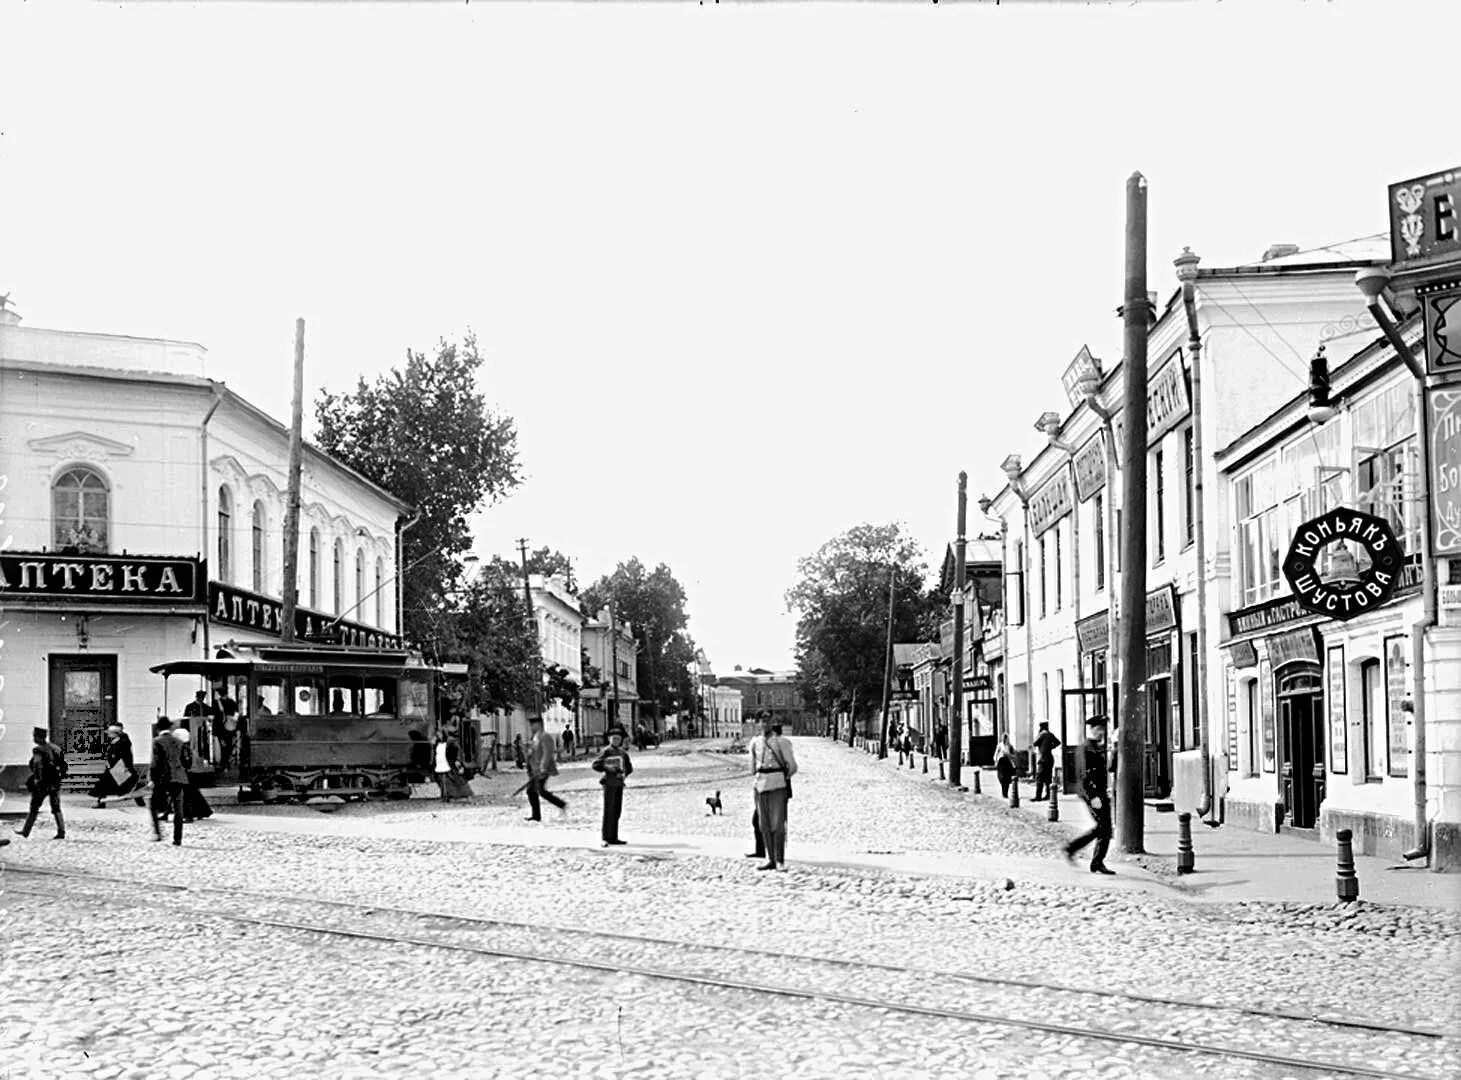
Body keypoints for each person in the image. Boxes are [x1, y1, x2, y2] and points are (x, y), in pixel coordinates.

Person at [1065, 717, 1115, 875]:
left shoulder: (1094, 747)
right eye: (1100, 729)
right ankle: (1090, 858)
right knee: (1104, 826)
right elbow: (1086, 776)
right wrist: (1094, 797)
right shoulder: (1086, 748)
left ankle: (1090, 858)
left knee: (1103, 827)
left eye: (1103, 729)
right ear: (1092, 729)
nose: (1102, 733)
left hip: (1098, 793)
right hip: (1093, 794)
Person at [749, 714, 797, 872]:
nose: (764, 724)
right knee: (764, 824)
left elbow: (792, 767)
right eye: (761, 721)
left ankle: (779, 860)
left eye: (767, 721)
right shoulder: (755, 742)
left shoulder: (782, 742)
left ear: (772, 723)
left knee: (778, 825)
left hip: (777, 785)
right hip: (760, 785)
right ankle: (770, 859)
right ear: (757, 723)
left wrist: (782, 777)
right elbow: (752, 767)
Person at [14, 727, 67, 841]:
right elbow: (64, 766)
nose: (33, 738)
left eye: (34, 736)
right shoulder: (56, 748)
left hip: (43, 783)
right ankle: (61, 831)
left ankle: (26, 831)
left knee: (34, 807)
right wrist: (59, 778)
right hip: (55, 783)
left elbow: (38, 766)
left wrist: (37, 780)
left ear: (38, 737)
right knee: (56, 807)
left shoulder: (38, 750)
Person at [591, 724, 633, 846]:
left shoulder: (623, 753)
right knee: (608, 810)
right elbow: (596, 765)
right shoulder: (606, 751)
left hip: (619, 784)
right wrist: (608, 768)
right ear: (609, 739)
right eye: (613, 738)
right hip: (609, 783)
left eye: (618, 739)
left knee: (617, 811)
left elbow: (629, 767)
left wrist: (624, 774)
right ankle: (606, 837)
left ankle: (614, 837)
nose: (616, 741)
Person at [149, 718, 187, 846]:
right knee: (178, 808)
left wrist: (152, 779)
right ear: (170, 727)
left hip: (163, 778)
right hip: (179, 777)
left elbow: (155, 762)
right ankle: (178, 838)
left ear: (158, 728)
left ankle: (157, 833)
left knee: (153, 805)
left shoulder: (157, 741)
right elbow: (186, 760)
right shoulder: (179, 741)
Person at [523, 716, 568, 821]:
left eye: (533, 724)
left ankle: (561, 804)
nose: (531, 727)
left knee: (540, 791)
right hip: (534, 769)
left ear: (539, 724)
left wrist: (543, 767)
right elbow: (533, 752)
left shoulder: (545, 737)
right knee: (531, 791)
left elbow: (547, 753)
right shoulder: (535, 737)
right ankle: (536, 816)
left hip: (542, 769)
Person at [90, 723, 142, 807]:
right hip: (115, 767)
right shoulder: (115, 741)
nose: (108, 734)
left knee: (104, 784)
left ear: (115, 733)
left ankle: (101, 802)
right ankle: (101, 802)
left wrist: (125, 767)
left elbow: (126, 756)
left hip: (119, 767)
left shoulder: (123, 742)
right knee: (105, 784)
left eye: (110, 732)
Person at [173, 722, 213, 822]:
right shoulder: (185, 747)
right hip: (189, 774)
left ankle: (189, 815)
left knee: (187, 796)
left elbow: (185, 762)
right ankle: (202, 812)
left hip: (185, 774)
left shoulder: (182, 748)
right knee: (194, 794)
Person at [1032, 721, 1062, 802]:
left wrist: (1039, 734)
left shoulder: (1041, 735)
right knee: (1048, 778)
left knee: (1039, 778)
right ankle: (1048, 795)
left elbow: (1034, 743)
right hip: (1049, 758)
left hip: (1042, 759)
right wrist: (1051, 747)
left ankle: (1038, 796)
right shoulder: (1050, 734)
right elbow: (1058, 742)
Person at [217, 692, 239, 770]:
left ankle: (225, 763)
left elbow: (236, 715)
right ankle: (225, 763)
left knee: (226, 747)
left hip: (227, 728)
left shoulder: (221, 703)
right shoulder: (231, 703)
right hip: (227, 728)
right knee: (226, 747)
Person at [994, 732, 1017, 798]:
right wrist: (996, 760)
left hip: (1008, 763)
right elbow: (996, 754)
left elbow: (1014, 755)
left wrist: (1009, 755)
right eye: (1004, 738)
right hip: (1001, 763)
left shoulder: (1010, 746)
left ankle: (1005, 793)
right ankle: (1003, 792)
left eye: (1006, 739)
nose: (1005, 740)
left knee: (1007, 778)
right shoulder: (1000, 745)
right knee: (1002, 778)